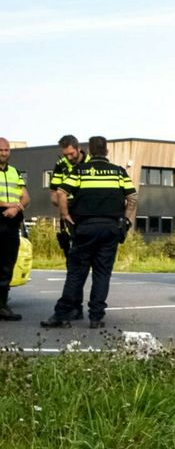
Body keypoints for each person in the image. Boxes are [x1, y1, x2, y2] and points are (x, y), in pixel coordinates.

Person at [42, 136, 136, 330]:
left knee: (76, 273)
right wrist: (126, 220)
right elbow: (132, 196)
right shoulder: (118, 171)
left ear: (89, 151)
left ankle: (62, 314)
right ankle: (96, 318)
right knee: (102, 274)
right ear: (107, 151)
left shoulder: (80, 171)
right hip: (110, 228)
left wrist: (66, 213)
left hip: (85, 227)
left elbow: (60, 192)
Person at [49, 134, 89, 320]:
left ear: (78, 147)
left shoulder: (92, 163)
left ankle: (80, 306)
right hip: (68, 221)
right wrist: (66, 205)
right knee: (72, 265)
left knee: (83, 264)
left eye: (72, 154)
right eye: (66, 155)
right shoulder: (61, 164)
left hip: (87, 219)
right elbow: (54, 196)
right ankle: (76, 306)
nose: (70, 158)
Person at [0, 137, 31, 321]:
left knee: (7, 265)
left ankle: (2, 305)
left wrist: (17, 207)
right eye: (1, 150)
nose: (4, 153)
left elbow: (26, 196)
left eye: (6, 150)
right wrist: (9, 204)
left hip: (11, 222)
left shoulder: (14, 172)